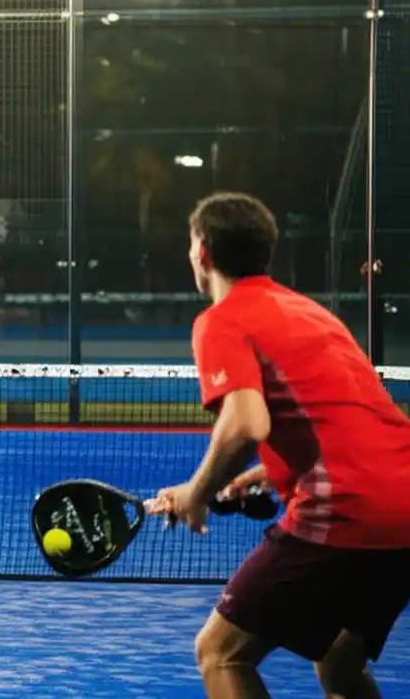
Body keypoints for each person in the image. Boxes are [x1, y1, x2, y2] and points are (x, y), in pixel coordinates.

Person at [147, 191, 410, 698]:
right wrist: (271, 472)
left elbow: (246, 424)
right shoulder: (310, 312)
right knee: (339, 662)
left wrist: (197, 491)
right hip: (406, 503)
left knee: (221, 653)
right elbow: (351, 414)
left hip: (349, 511)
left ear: (201, 252)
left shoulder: (220, 321)